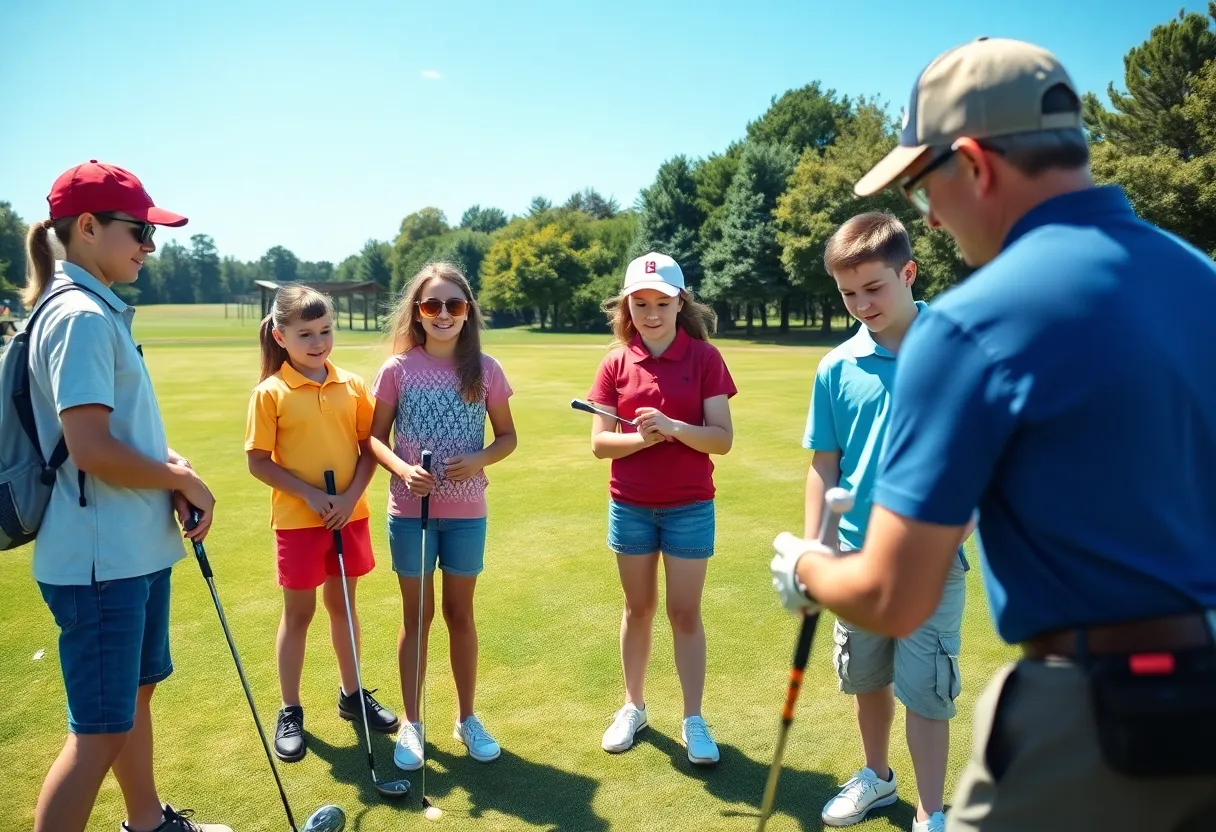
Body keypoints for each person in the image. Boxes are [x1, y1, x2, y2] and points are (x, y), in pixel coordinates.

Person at [770, 36, 1216, 831]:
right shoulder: (1199, 279)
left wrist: (808, 567)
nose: (931, 218)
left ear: (975, 163)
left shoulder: (971, 326)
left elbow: (892, 594)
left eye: (927, 185)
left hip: (1095, 721)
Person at [24, 160, 227, 832]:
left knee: (133, 702)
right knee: (98, 734)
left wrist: (169, 464)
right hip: (99, 563)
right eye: (139, 230)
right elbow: (91, 449)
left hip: (127, 551)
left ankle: (148, 822)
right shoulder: (79, 315)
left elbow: (116, 435)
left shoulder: (93, 308)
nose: (149, 245)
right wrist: (178, 478)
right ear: (87, 228)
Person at [804, 212, 969, 832]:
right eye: (848, 294)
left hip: (930, 559)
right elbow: (825, 464)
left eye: (874, 288)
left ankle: (931, 812)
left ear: (908, 272)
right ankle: (876, 776)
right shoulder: (836, 367)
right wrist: (814, 552)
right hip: (855, 556)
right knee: (865, 676)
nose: (861, 304)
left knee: (927, 688)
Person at [586, 252, 737, 766]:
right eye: (641, 303)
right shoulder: (616, 362)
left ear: (680, 303)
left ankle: (694, 717)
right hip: (630, 506)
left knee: (684, 612)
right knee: (638, 609)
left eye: (662, 303)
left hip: (690, 506)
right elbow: (601, 444)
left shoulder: (704, 358)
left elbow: (721, 440)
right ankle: (633, 706)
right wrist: (642, 439)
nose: (651, 314)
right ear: (628, 305)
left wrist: (672, 427)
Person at [367, 262, 517, 770]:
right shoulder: (397, 369)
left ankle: (466, 717)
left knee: (460, 615)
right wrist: (404, 470)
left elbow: (507, 437)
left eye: (454, 304)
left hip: (467, 512)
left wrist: (478, 459)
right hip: (411, 512)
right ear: (418, 312)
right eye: (433, 305)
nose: (444, 314)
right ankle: (412, 722)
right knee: (417, 617)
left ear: (467, 310)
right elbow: (372, 438)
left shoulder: (487, 368)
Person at [245, 284, 398, 763]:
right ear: (280, 335)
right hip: (298, 521)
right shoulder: (270, 392)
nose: (318, 342)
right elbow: (258, 461)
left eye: (326, 330)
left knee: (344, 607)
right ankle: (290, 709)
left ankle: (352, 696)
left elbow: (368, 448)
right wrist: (312, 495)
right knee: (300, 614)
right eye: (306, 333)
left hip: (348, 516)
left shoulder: (352, 385)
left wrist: (349, 497)